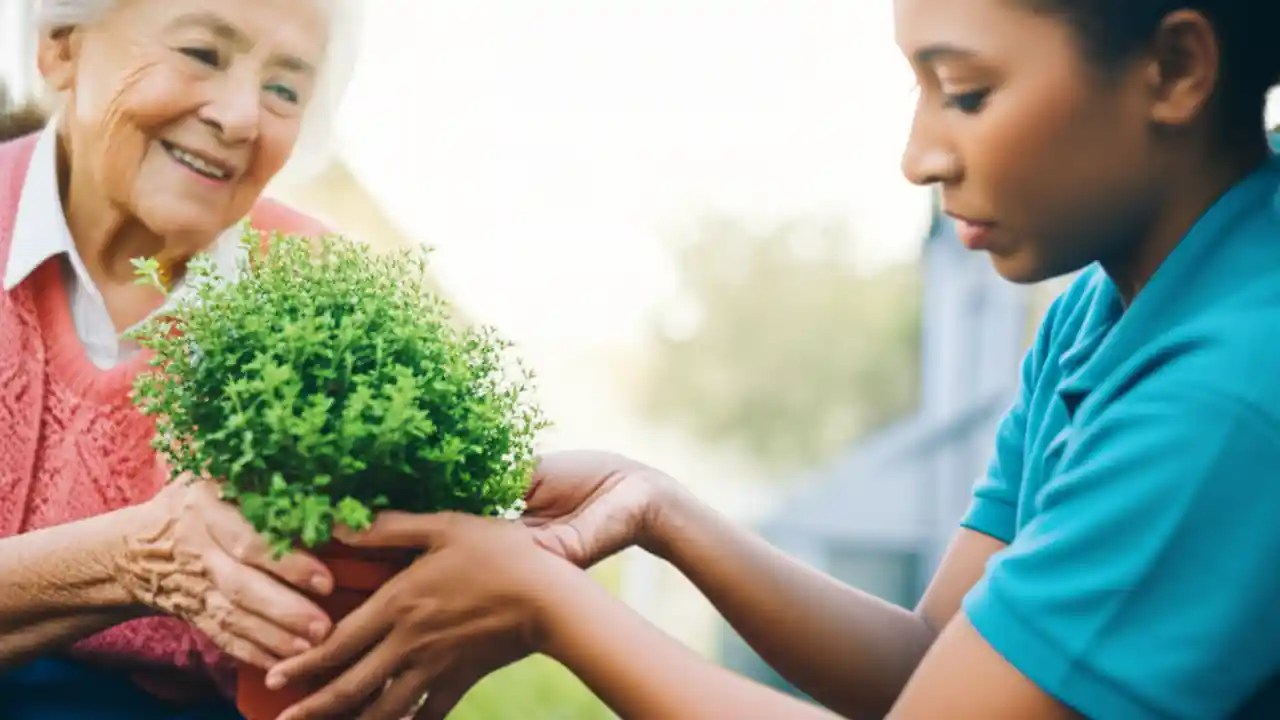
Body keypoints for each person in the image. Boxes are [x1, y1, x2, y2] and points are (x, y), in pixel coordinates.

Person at [268, 2, 1280, 719]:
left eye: (963, 92)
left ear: (1175, 70)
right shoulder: (1100, 314)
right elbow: (928, 670)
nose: (916, 154)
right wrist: (656, 506)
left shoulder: (1227, 385)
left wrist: (546, 606)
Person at [0, 0, 358, 717]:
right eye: (202, 52)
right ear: (61, 48)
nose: (241, 117)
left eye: (285, 89)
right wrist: (134, 558)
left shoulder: (328, 303)